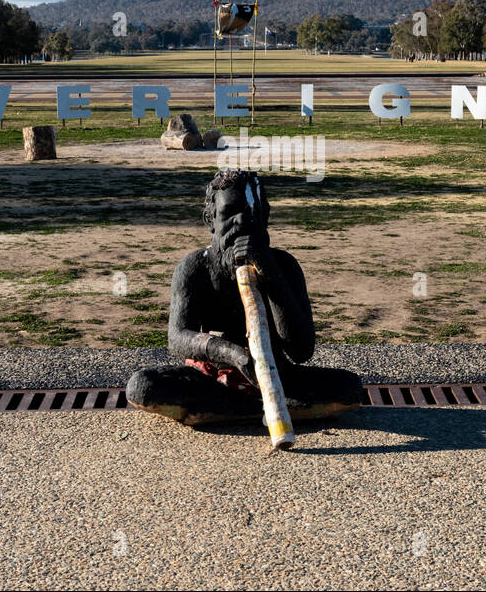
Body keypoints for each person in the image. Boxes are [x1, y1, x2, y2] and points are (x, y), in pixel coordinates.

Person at [126, 169, 364, 426]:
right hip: (211, 376)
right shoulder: (195, 267)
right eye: (230, 214)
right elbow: (178, 337)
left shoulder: (284, 265)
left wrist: (271, 273)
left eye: (253, 213)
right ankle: (268, 408)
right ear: (210, 219)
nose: (242, 222)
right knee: (143, 386)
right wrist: (235, 355)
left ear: (265, 217)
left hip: (276, 375)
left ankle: (226, 410)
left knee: (349, 387)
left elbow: (301, 349)